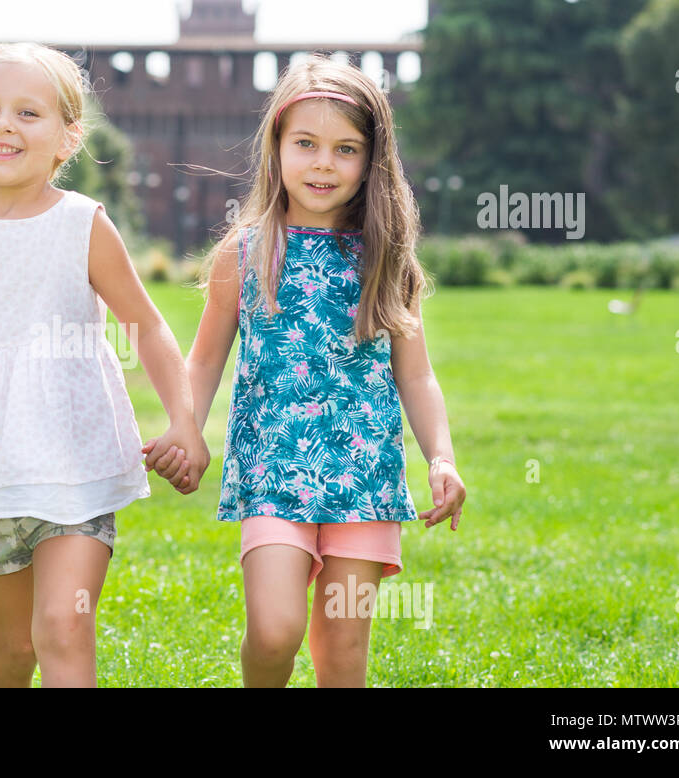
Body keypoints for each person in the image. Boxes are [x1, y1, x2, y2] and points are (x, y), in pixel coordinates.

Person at [0, 42, 209, 688]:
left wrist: (184, 420)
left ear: (68, 139)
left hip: (74, 465)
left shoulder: (80, 224)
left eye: (27, 113)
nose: (3, 124)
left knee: (62, 629)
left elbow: (145, 326)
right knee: (10, 655)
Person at [144, 57, 467, 687]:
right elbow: (206, 356)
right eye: (307, 144)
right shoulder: (242, 254)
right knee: (274, 629)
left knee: (344, 653)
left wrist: (442, 457)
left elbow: (417, 377)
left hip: (363, 480)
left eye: (345, 149)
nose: (323, 163)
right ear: (276, 147)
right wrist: (186, 426)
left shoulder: (386, 259)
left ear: (372, 160)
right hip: (272, 470)